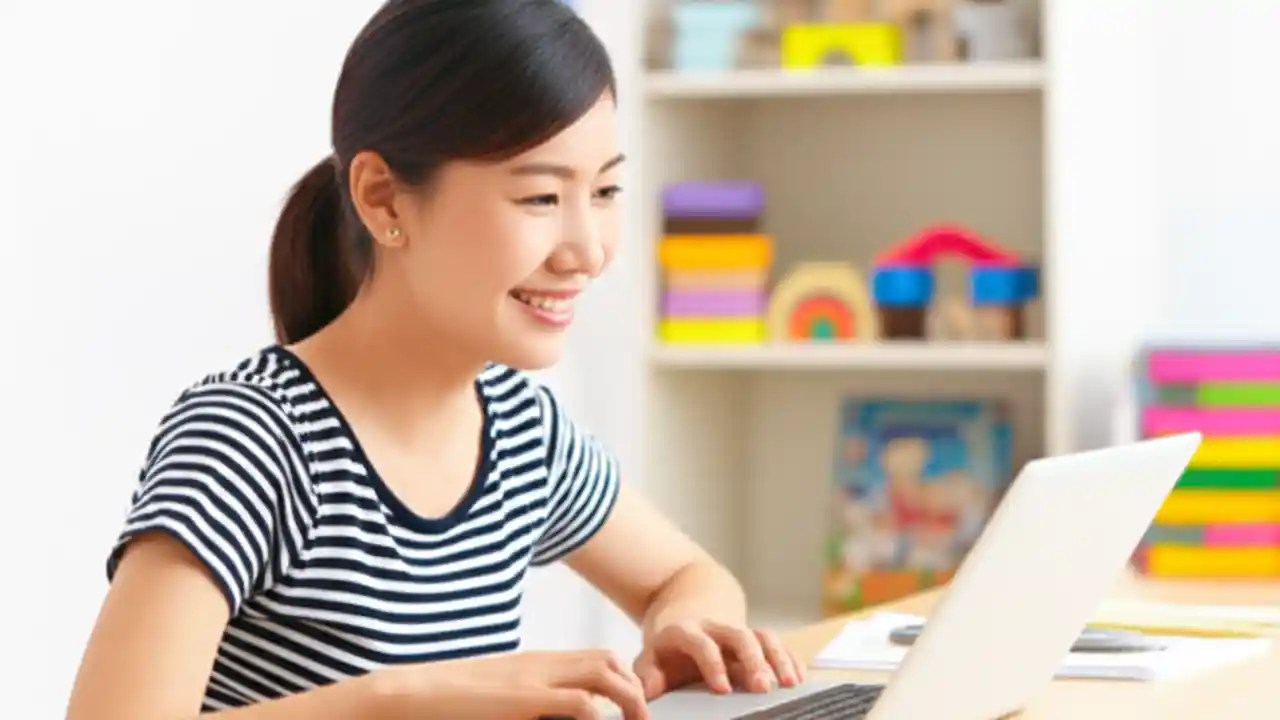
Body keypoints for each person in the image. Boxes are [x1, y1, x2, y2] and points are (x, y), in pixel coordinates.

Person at [65, 1, 805, 718]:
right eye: (542, 198)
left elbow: (687, 575)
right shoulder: (254, 437)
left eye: (605, 189)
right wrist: (402, 699)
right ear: (383, 199)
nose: (588, 250)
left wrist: (683, 629)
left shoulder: (519, 430)